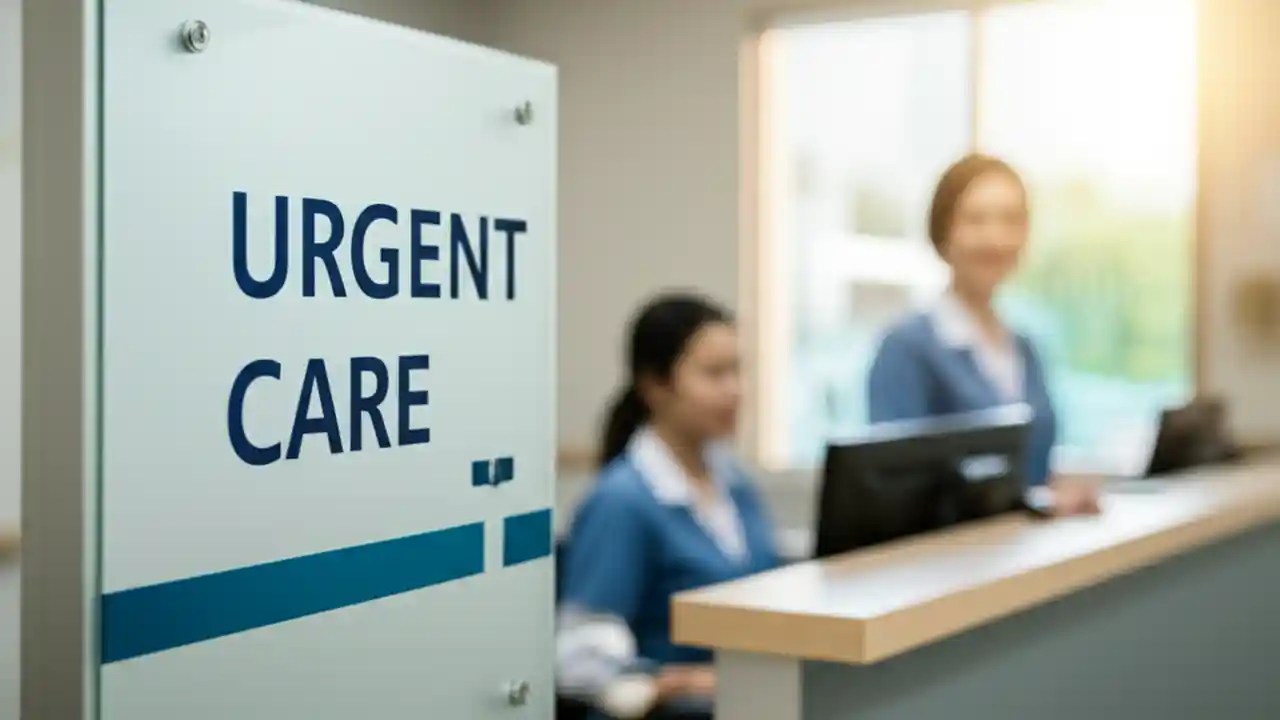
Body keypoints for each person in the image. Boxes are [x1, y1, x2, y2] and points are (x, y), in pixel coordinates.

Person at [557, 294, 780, 720]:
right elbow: (579, 658)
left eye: (738, 370)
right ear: (655, 386)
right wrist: (668, 684)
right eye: (714, 374)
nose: (735, 390)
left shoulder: (736, 485)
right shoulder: (622, 502)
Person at [868, 154, 1098, 514]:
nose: (995, 237)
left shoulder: (1024, 349)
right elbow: (897, 491)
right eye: (976, 220)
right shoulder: (907, 349)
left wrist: (1058, 489)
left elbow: (1028, 471)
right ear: (943, 231)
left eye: (1010, 220)